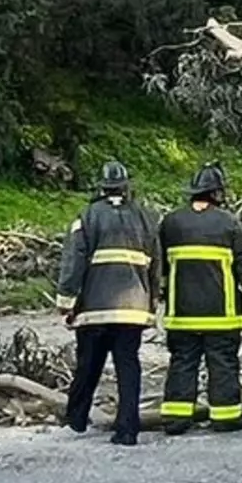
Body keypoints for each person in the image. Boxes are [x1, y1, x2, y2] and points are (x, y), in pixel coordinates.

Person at [155, 163, 242, 433]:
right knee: (223, 364)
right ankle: (225, 417)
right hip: (221, 314)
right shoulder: (229, 224)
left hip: (181, 314)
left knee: (182, 362)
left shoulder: (171, 223)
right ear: (217, 193)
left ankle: (176, 418)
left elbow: (159, 266)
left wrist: (161, 295)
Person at [53, 161, 156, 445]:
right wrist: (152, 303)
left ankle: (76, 418)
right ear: (127, 186)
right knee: (128, 367)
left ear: (101, 186)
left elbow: (74, 262)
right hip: (133, 308)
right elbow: (156, 264)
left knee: (89, 364)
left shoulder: (86, 217)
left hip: (94, 309)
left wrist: (66, 302)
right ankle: (127, 430)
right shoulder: (145, 218)